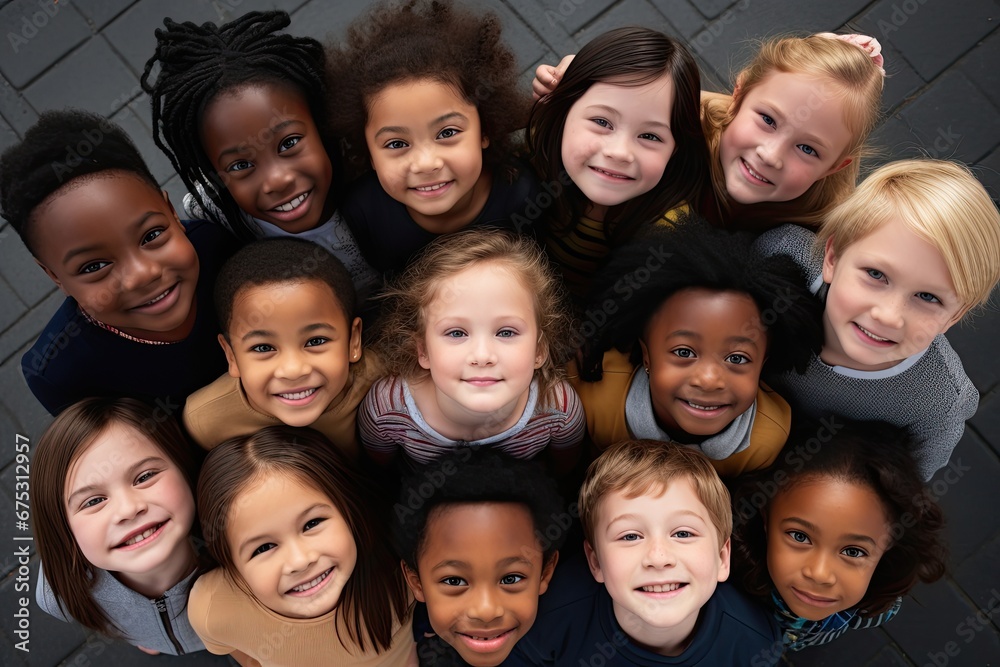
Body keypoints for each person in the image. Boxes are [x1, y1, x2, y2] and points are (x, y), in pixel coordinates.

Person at [754, 159, 1000, 479]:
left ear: (954, 316)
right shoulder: (780, 258)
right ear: (833, 257)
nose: (889, 315)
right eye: (875, 274)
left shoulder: (939, 405)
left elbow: (897, 498)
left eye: (928, 297)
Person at [0, 110, 237, 415]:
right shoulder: (61, 374)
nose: (142, 274)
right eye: (93, 267)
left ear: (172, 214)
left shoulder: (217, 246)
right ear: (54, 276)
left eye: (151, 235)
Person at [535, 32, 885, 230]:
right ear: (737, 95)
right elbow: (647, 100)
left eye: (808, 150)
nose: (770, 154)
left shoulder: (820, 226)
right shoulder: (696, 122)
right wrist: (573, 80)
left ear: (834, 168)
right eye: (767, 119)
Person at [141, 10, 379, 300]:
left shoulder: (374, 169)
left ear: (321, 125)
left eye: (289, 143)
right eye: (240, 165)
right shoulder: (217, 214)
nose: (276, 180)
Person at [573, 219, 823, 476]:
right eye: (684, 352)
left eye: (737, 358)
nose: (708, 379)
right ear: (646, 355)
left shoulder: (765, 438)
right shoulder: (595, 396)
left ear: (763, 365)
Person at [508, 439, 781, 665]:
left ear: (722, 558)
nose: (658, 558)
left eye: (683, 533)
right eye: (630, 536)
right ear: (595, 562)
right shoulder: (551, 618)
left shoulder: (754, 642)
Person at [327, 0, 541, 276]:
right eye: (396, 144)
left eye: (447, 133)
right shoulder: (363, 213)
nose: (426, 163)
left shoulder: (521, 193)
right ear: (369, 154)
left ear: (485, 130)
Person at [360, 230, 584, 473]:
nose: (482, 356)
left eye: (506, 332)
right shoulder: (387, 409)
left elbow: (564, 475)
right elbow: (379, 478)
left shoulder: (558, 409)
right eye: (456, 333)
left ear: (539, 349)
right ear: (423, 350)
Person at [189, 426, 414, 666]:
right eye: (263, 548)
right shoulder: (215, 608)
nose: (300, 560)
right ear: (232, 565)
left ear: (350, 512)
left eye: (312, 524)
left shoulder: (402, 565)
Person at [731, 418, 947, 651]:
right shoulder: (725, 578)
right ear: (766, 519)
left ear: (889, 544)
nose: (820, 574)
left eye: (853, 551)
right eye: (800, 536)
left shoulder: (876, 609)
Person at [526, 26, 710, 299]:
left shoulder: (669, 233)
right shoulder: (535, 154)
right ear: (563, 112)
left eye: (650, 136)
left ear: (676, 150)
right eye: (602, 122)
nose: (620, 152)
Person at [32, 398, 204, 655]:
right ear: (62, 528)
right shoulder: (59, 594)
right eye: (94, 501)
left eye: (144, 477)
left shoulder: (242, 546)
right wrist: (137, 635)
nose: (128, 509)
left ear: (183, 466)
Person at [183, 238, 379, 458]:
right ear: (232, 356)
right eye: (263, 347)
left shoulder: (381, 378)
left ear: (353, 340)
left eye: (315, 341)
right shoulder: (205, 420)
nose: (293, 370)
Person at [394, 449, 564, 666]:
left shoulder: (568, 637)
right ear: (416, 582)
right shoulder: (412, 641)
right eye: (454, 581)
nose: (486, 611)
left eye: (511, 578)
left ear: (545, 573)